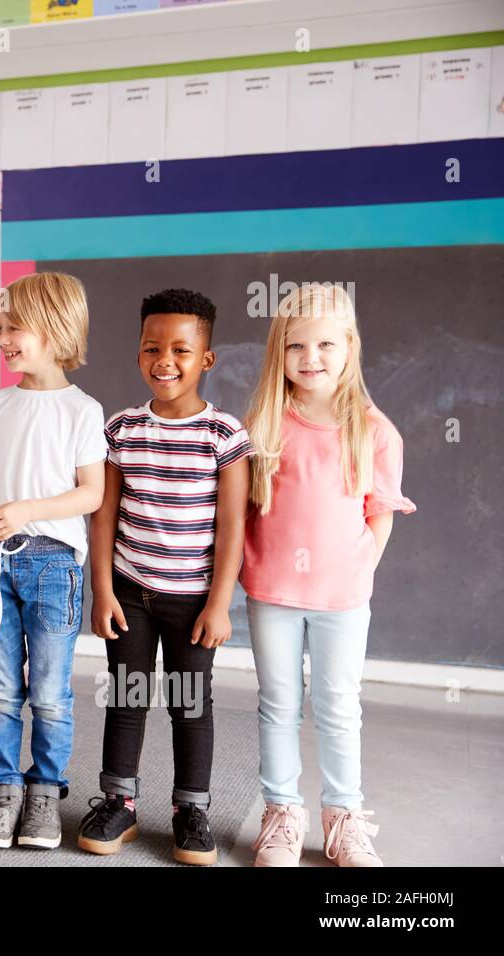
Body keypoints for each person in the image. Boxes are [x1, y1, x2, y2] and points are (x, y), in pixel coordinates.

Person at [241, 283, 414, 867]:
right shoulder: (264, 423)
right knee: (279, 702)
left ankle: (343, 819)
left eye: (324, 345)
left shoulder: (374, 430)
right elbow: (243, 507)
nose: (310, 358)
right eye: (296, 346)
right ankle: (282, 814)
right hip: (272, 592)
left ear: (349, 347)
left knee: (339, 704)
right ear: (279, 351)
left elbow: (379, 513)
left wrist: (359, 570)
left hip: (342, 597)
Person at [80, 289, 251, 865]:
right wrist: (102, 588)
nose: (165, 360)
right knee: (127, 698)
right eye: (152, 347)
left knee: (190, 703)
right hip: (131, 590)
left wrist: (220, 604)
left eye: (181, 349)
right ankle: (118, 804)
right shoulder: (122, 429)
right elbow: (102, 515)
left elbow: (231, 528)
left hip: (193, 600)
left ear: (207, 359)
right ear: (138, 354)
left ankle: (190, 811)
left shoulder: (223, 436)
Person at [0, 272, 106, 850]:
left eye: (13, 327)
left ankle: (44, 790)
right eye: (0, 328)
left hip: (54, 568)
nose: (3, 339)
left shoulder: (81, 410)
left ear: (54, 328)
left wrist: (26, 511)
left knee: (49, 692)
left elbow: (90, 494)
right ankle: (4, 787)